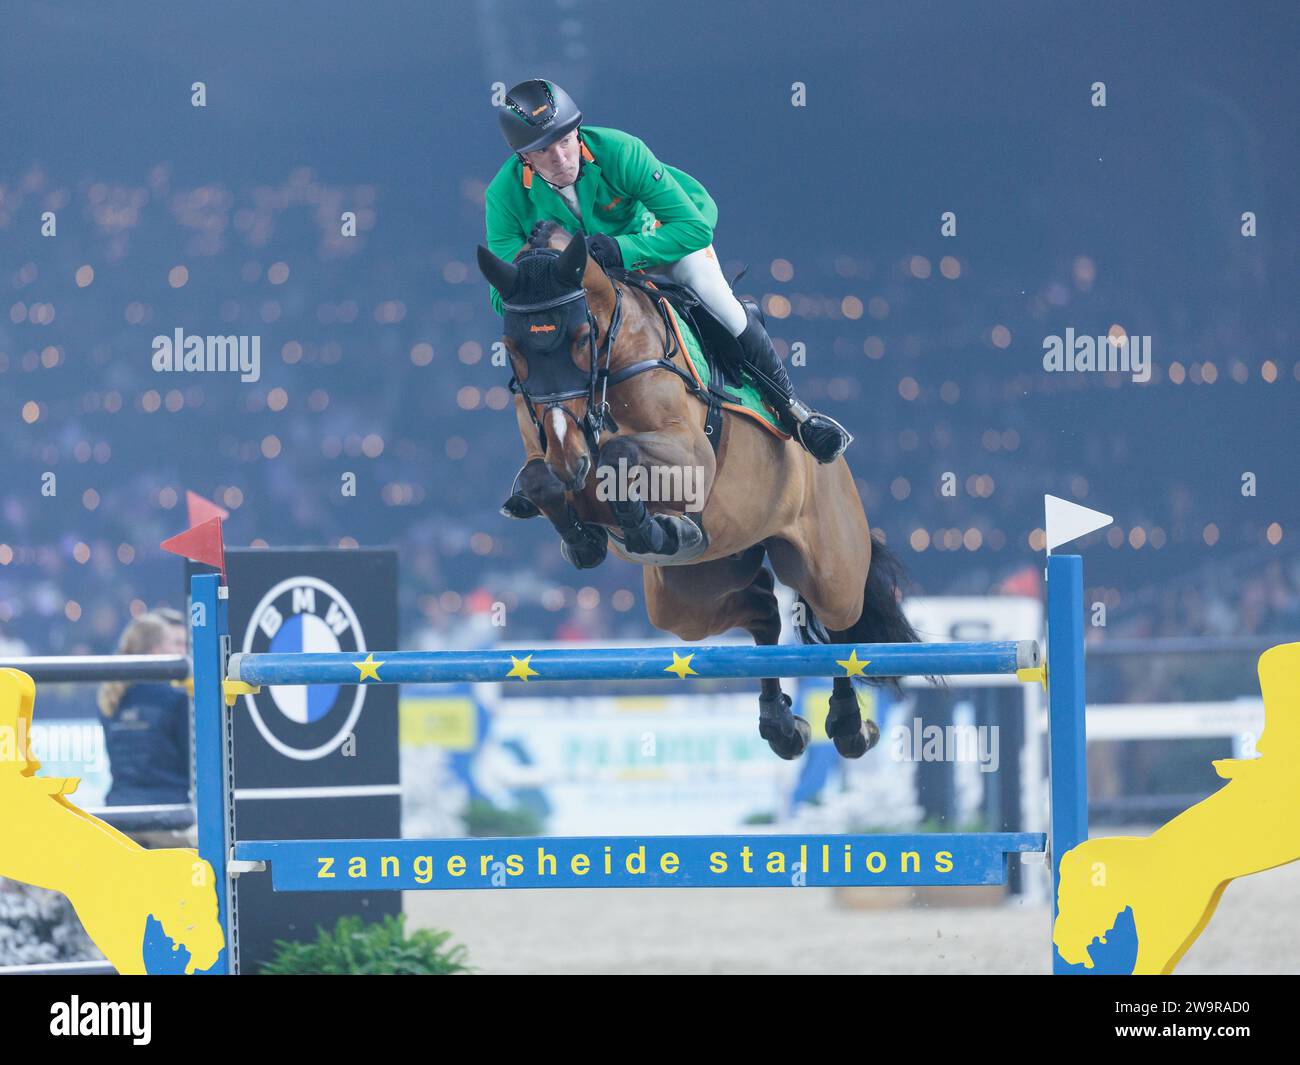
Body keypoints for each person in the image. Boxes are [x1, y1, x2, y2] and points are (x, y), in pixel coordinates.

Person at [484, 78, 852, 464]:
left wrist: (621, 249)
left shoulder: (621, 151)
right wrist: (544, 278)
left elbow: (693, 229)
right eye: (544, 150)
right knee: (538, 348)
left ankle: (796, 412)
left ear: (577, 131)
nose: (561, 158)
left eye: (565, 141)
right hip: (586, 283)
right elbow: (503, 295)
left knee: (715, 298)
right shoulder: (503, 196)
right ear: (524, 157)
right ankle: (540, 461)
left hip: (659, 242)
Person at [98, 609, 190, 808]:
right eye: (176, 644)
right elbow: (194, 764)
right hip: (169, 812)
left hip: (119, 812)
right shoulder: (176, 698)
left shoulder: (110, 697)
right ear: (156, 650)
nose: (184, 652)